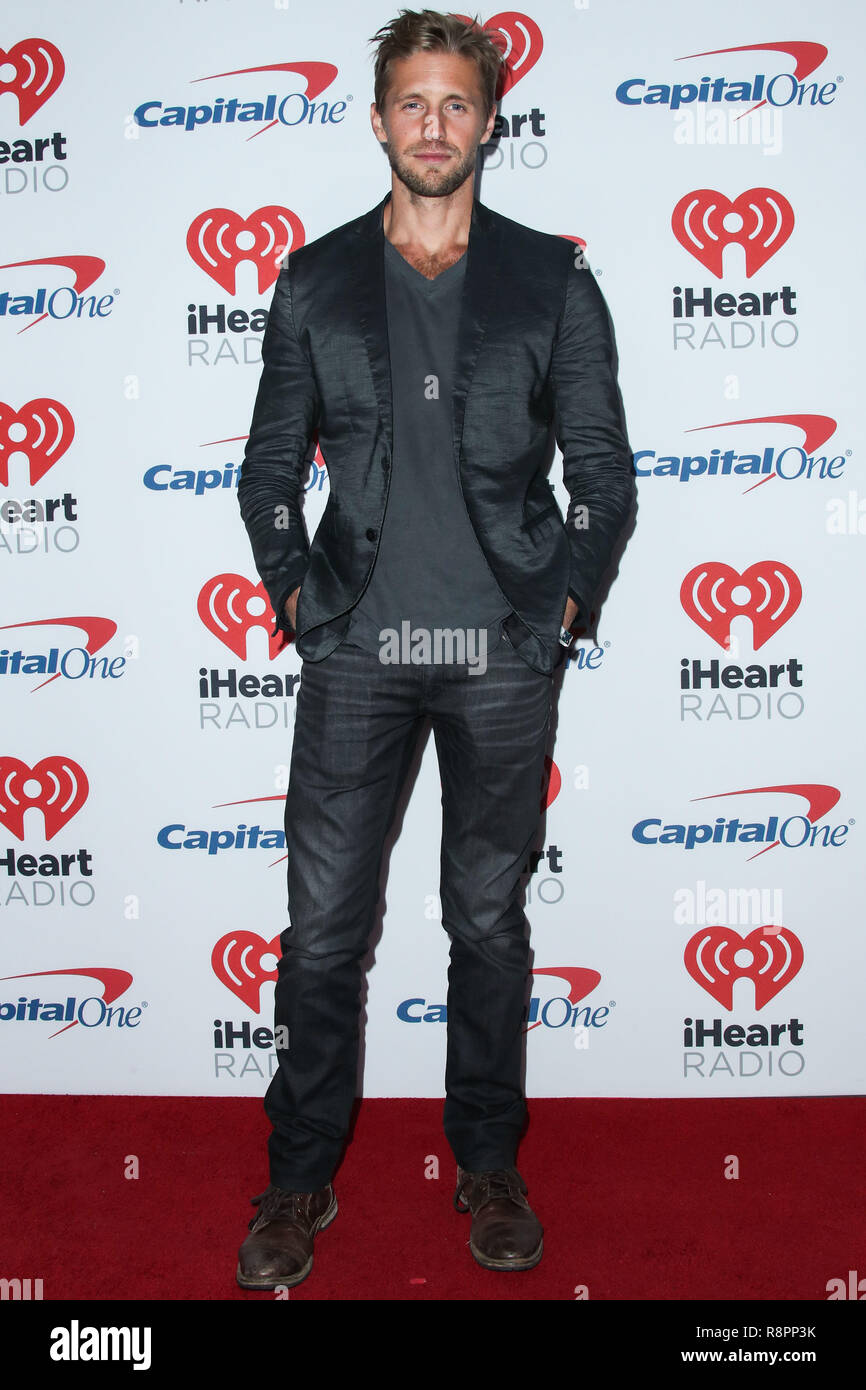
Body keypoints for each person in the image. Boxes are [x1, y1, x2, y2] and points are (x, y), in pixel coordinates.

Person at [235, 7, 634, 1290]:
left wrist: (558, 615)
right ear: (376, 118)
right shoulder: (314, 278)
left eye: (456, 103)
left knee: (488, 923)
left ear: (488, 120)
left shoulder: (551, 279)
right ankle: (298, 1180)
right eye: (412, 101)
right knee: (318, 936)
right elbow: (264, 470)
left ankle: (488, 1161)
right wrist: (300, 599)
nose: (433, 124)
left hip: (501, 655)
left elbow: (605, 478)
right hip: (354, 648)